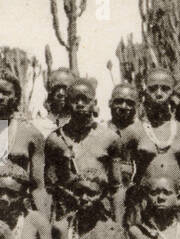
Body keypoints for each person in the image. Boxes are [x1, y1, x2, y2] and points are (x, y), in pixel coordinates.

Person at [119, 68, 180, 220]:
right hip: (143, 207)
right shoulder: (132, 132)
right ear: (144, 93)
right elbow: (123, 181)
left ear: (173, 94)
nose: (159, 93)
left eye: (165, 88)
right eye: (153, 88)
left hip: (177, 206)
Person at [0, 69, 49, 220]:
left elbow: (38, 187)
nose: (0, 97)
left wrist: (43, 229)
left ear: (16, 97)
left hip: (17, 212)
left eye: (6, 93)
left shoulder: (31, 134)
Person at [44, 79, 123, 220]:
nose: (80, 104)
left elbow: (116, 188)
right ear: (67, 102)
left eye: (85, 100)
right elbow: (49, 189)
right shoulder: (55, 140)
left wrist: (117, 227)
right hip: (67, 215)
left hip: (100, 214)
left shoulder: (110, 138)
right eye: (74, 100)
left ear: (95, 103)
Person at [34, 68, 76, 138]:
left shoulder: (78, 127)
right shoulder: (37, 126)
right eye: (57, 88)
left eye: (65, 88)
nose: (61, 93)